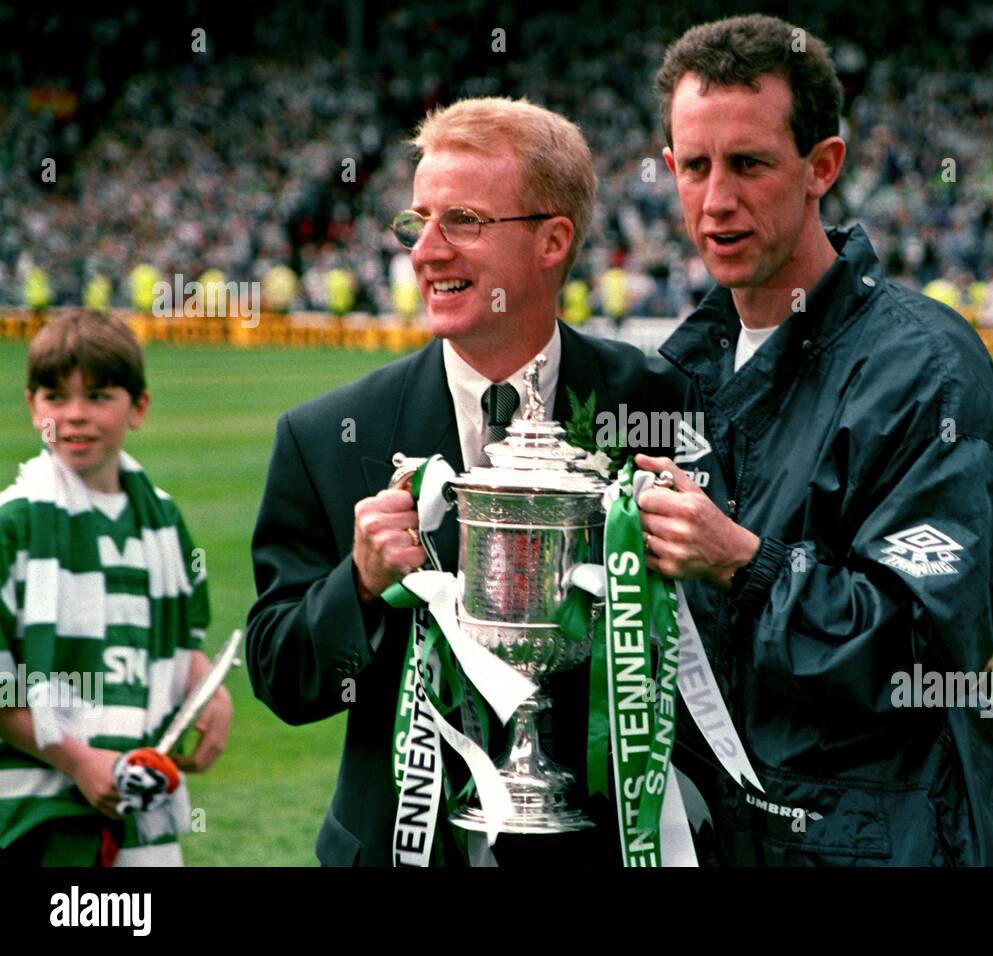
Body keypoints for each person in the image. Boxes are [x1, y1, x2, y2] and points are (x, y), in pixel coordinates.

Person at [633, 14, 993, 865]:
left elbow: (932, 651)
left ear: (823, 166)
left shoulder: (926, 368)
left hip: (898, 840)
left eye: (749, 165)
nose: (717, 201)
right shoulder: (679, 370)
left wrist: (746, 566)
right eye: (696, 168)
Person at [246, 98, 684, 867]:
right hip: (403, 851)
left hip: (609, 848)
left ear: (553, 241)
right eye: (417, 223)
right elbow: (281, 675)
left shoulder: (658, 404)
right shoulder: (325, 436)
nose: (427, 252)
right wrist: (358, 583)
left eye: (465, 221)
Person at [0, 311, 231, 866]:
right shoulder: (16, 524)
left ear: (139, 407)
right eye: (56, 397)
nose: (75, 416)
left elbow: (178, 645)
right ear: (34, 407)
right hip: (39, 807)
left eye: (99, 396)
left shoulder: (163, 520)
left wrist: (210, 693)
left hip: (141, 800)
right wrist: (78, 760)